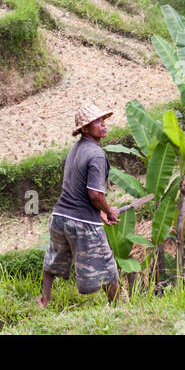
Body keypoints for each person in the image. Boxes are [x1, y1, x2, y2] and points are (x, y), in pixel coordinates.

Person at [36, 102, 121, 307]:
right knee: (108, 268)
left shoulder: (75, 150)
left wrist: (99, 213)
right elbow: (95, 194)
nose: (103, 125)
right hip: (82, 223)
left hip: (59, 218)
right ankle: (119, 309)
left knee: (53, 261)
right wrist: (108, 211)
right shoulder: (97, 155)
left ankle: (44, 300)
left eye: (103, 120)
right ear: (84, 129)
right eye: (96, 122)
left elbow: (75, 188)